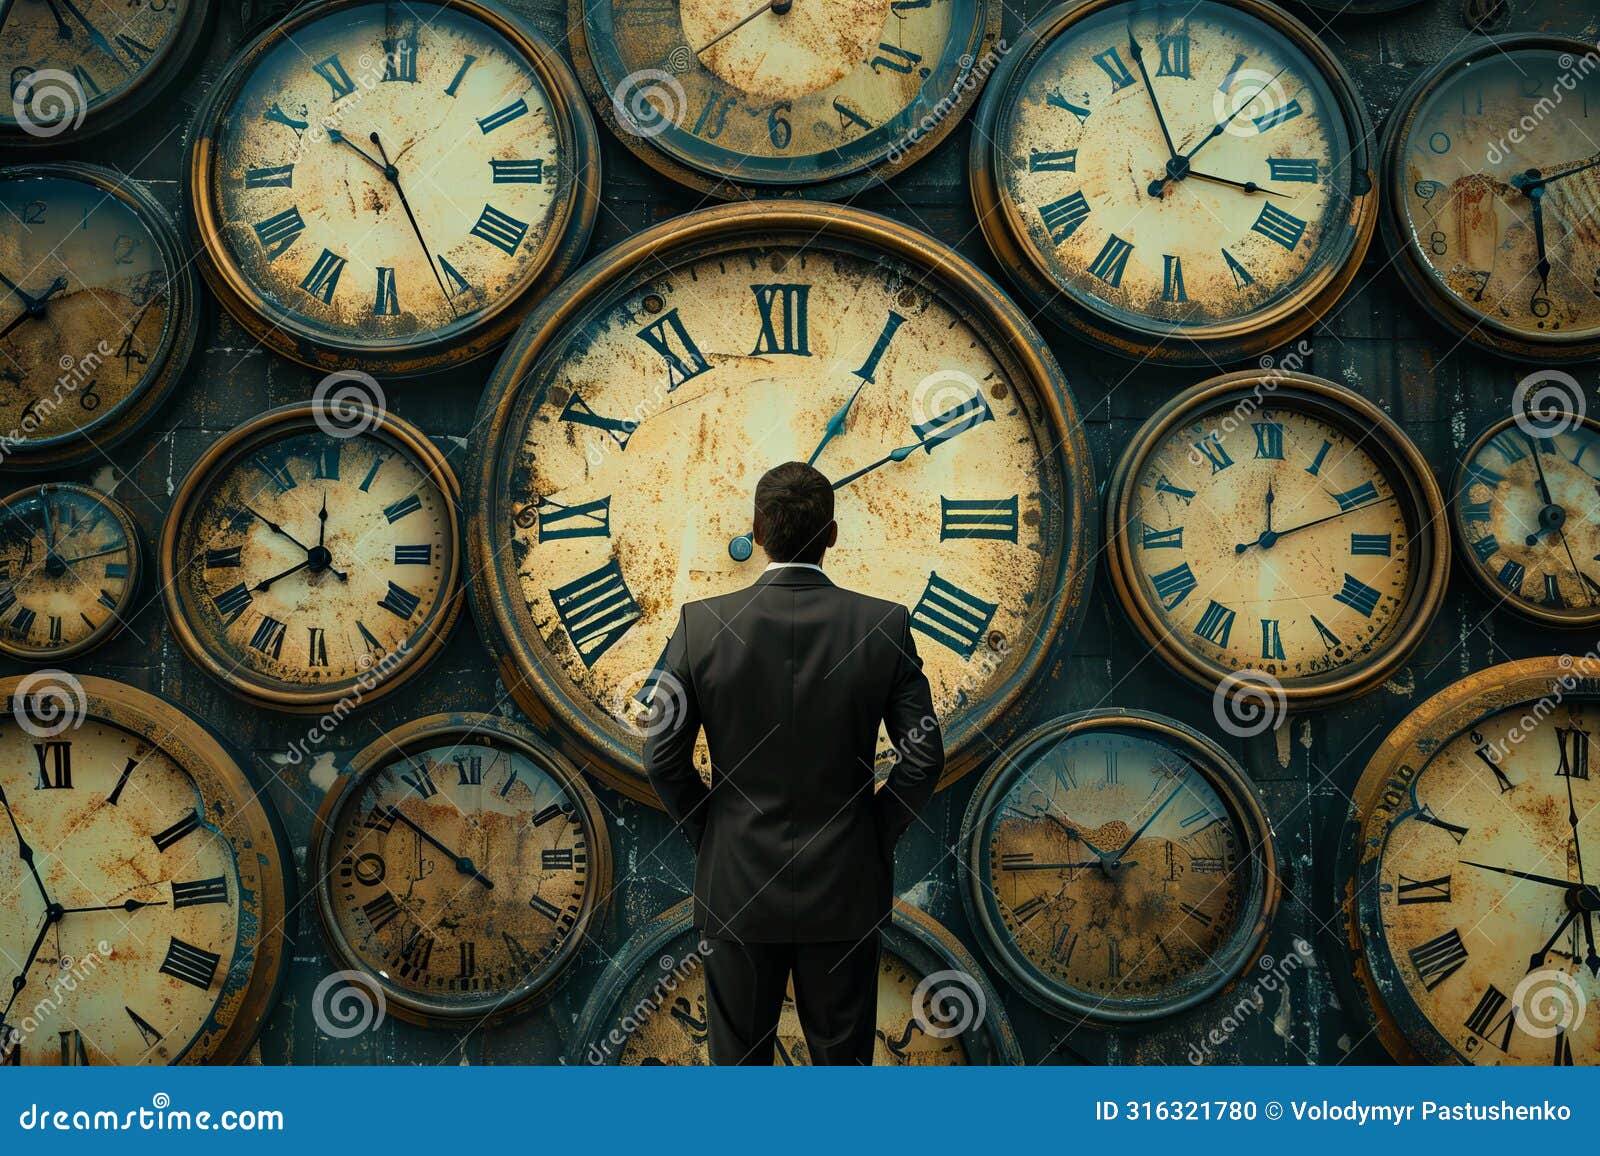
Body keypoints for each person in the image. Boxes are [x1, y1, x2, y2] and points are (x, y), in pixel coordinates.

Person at [643, 460, 944, 1065]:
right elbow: (922, 757)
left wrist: (716, 833)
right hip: (844, 886)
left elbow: (661, 755)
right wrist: (870, 835)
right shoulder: (883, 624)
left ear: (755, 531)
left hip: (737, 886)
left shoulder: (700, 626)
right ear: (832, 534)